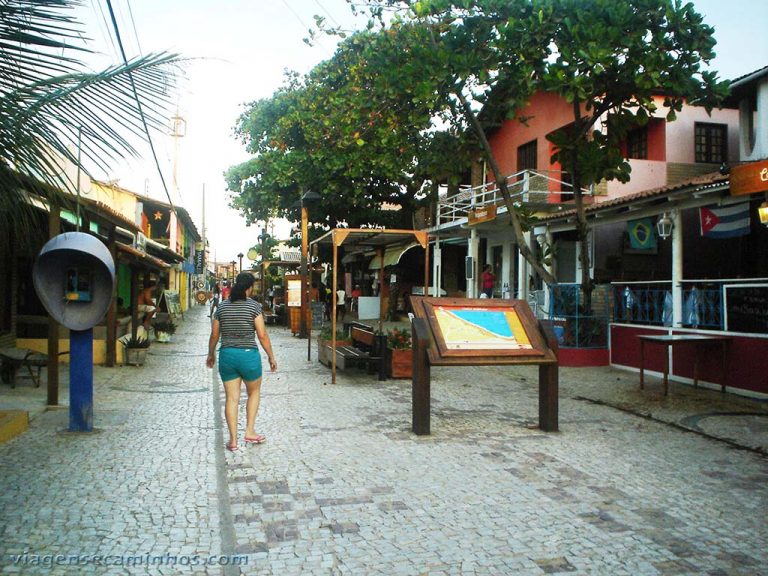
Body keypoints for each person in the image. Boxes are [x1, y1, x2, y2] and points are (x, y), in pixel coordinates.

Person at [206, 272, 277, 452]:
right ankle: (250, 431)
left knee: (232, 398)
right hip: (248, 357)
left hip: (227, 356)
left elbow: (215, 335)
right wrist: (271, 356)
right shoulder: (254, 307)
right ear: (249, 287)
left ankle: (233, 441)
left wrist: (210, 354)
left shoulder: (221, 308)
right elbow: (262, 335)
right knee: (253, 393)